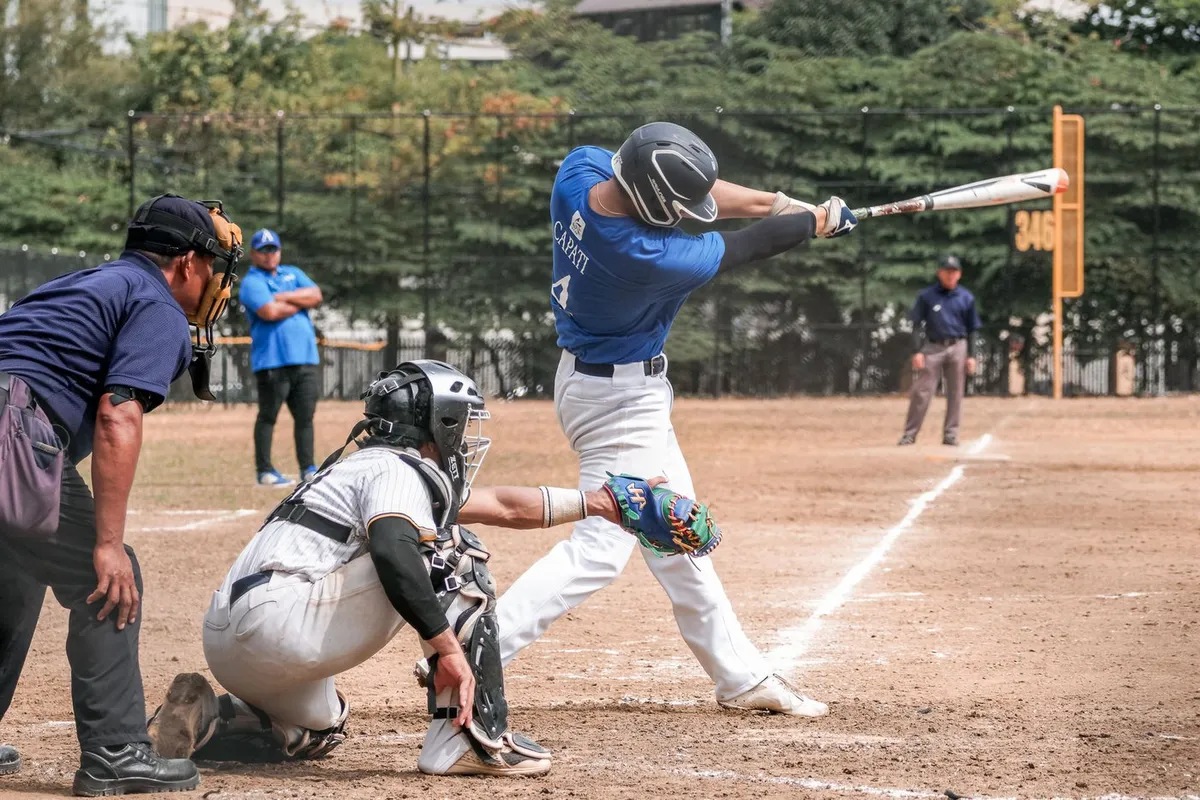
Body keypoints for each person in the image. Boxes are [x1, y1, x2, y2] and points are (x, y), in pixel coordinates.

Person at [492, 121, 858, 715]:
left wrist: (778, 203)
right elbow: (747, 246)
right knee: (600, 547)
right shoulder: (645, 256)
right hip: (619, 406)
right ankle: (471, 651)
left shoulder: (579, 173)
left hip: (602, 383)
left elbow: (717, 205)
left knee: (677, 531)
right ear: (652, 205)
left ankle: (739, 676)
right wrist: (811, 223)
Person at [146, 360, 649, 777]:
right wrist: (446, 647)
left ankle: (209, 717)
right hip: (281, 625)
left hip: (234, 641)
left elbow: (502, 504)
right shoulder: (399, 469)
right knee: (455, 549)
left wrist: (598, 502)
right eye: (462, 421)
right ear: (440, 421)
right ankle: (468, 736)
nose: (466, 435)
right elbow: (392, 548)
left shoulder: (362, 466)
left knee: (320, 729)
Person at [0, 194, 243, 796]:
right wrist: (107, 543)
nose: (214, 281)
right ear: (186, 263)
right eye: (211, 265)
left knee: (18, 568)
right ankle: (115, 752)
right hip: (9, 432)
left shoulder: (84, 284)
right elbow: (118, 414)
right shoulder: (155, 303)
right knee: (108, 577)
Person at [239, 228, 323, 487]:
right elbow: (269, 311)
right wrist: (300, 301)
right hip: (273, 362)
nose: (269, 255)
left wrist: (284, 296)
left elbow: (316, 295)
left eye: (273, 249)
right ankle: (264, 470)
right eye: (263, 251)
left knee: (305, 418)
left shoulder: (293, 273)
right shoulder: (251, 281)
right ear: (253, 254)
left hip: (305, 359)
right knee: (268, 416)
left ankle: (308, 468)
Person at [897, 254, 982, 447]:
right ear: (939, 273)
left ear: (959, 274)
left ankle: (951, 434)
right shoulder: (927, 296)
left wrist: (972, 356)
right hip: (933, 346)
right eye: (947, 271)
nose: (950, 275)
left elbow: (972, 329)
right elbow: (917, 325)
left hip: (958, 346)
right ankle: (910, 433)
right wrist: (917, 351)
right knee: (922, 391)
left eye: (954, 272)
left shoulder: (966, 298)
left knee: (955, 392)